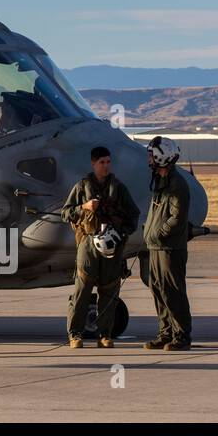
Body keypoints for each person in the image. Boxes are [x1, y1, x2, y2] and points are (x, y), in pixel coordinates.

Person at [63, 146, 139, 348]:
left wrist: (122, 233)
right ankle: (75, 334)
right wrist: (84, 208)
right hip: (88, 243)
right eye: (101, 163)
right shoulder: (82, 187)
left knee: (110, 290)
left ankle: (104, 334)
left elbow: (133, 214)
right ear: (93, 164)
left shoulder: (119, 188)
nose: (105, 166)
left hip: (113, 245)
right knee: (82, 289)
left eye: (108, 162)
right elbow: (66, 212)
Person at [142, 136, 193, 351]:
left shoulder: (176, 184)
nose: (149, 160)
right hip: (156, 247)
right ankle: (166, 333)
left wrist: (159, 234)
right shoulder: (161, 182)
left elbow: (176, 217)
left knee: (173, 291)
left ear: (162, 157)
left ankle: (181, 336)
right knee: (158, 289)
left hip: (169, 248)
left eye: (152, 156)